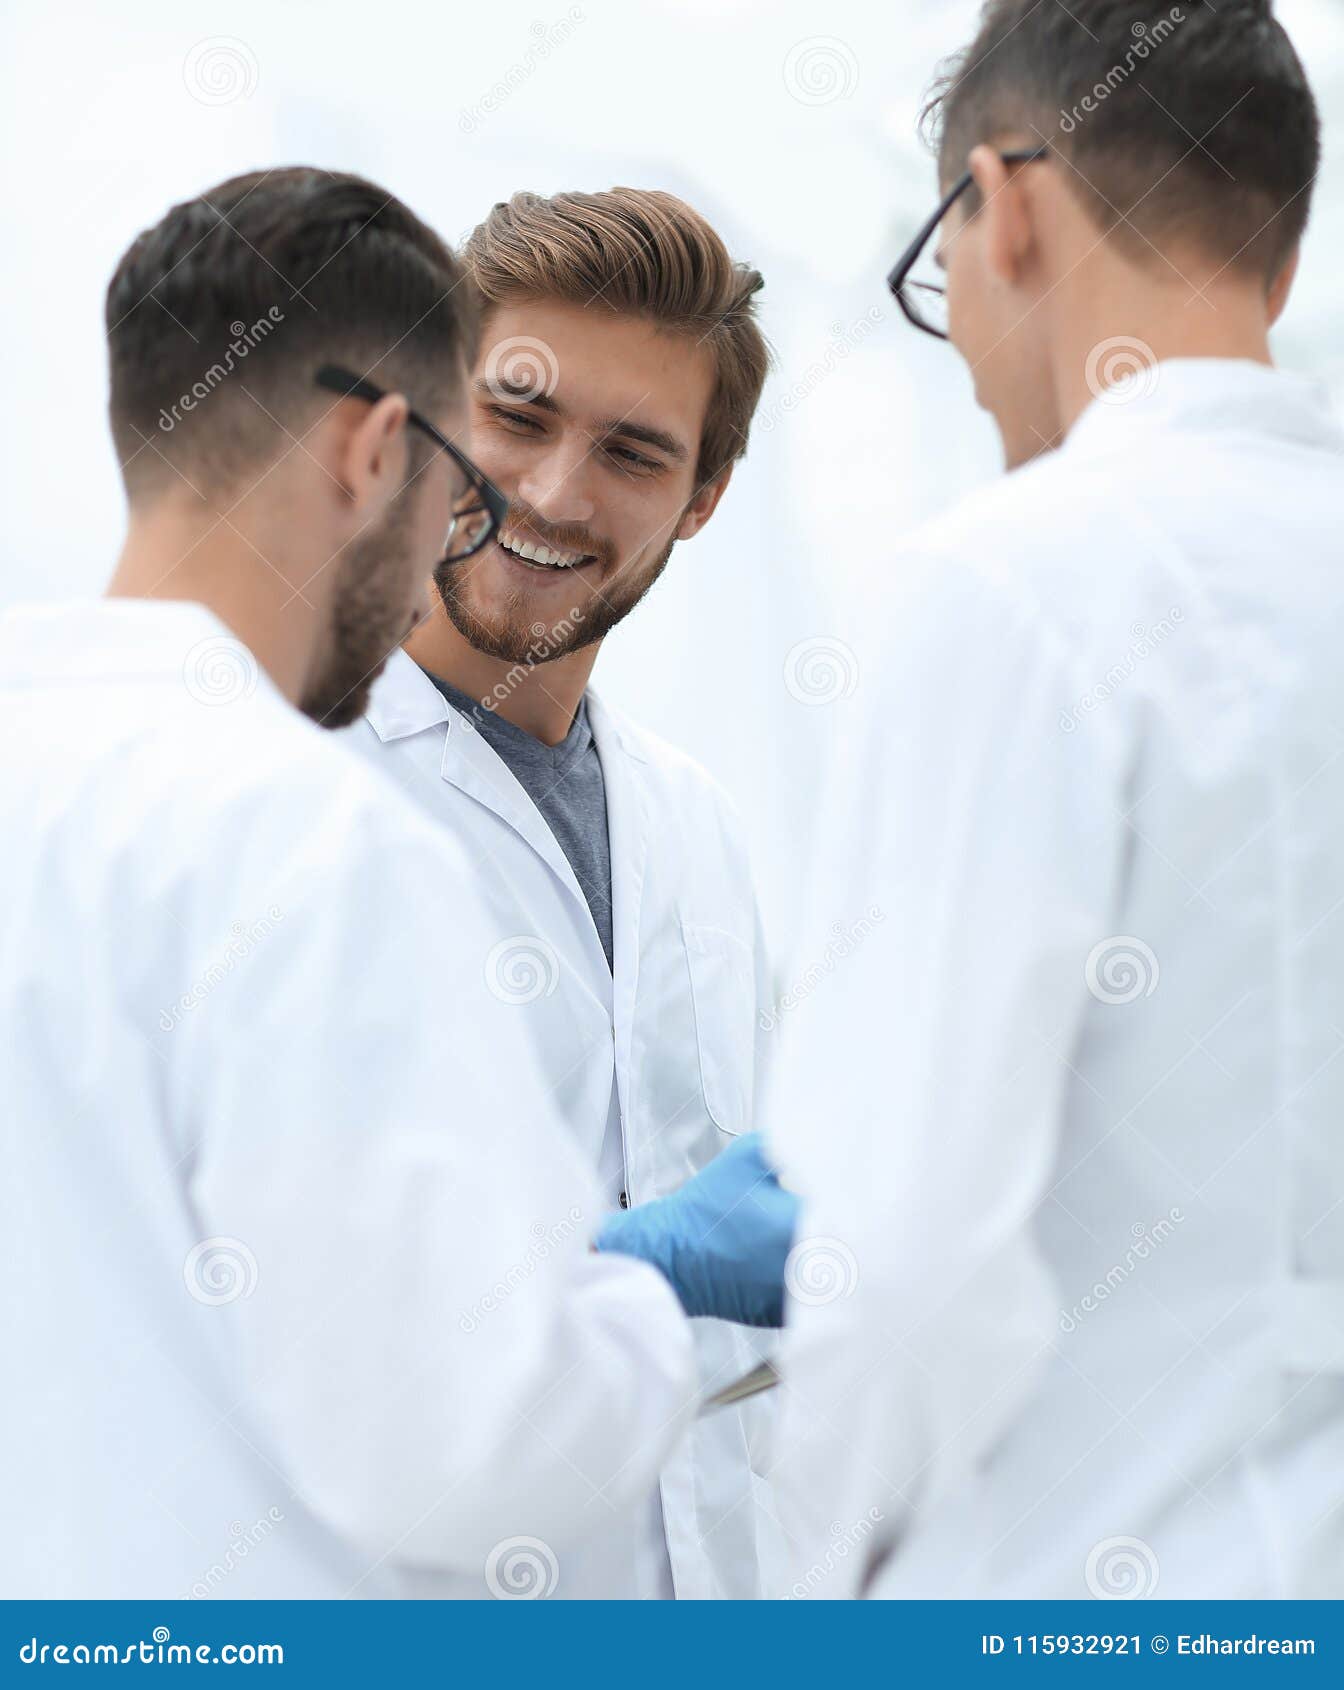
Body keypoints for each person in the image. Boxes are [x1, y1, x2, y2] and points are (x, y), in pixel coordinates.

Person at [0, 168, 706, 1600]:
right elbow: (464, 1444)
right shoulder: (306, 831)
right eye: (466, 468)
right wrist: (647, 1305)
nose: (482, 519)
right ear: (374, 448)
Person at [766, 0, 1344, 1598]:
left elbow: (904, 1268)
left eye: (937, 277)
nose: (960, 373)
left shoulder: (1019, 586)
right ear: (1279, 262)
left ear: (1002, 210)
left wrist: (817, 1588)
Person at [338, 186, 785, 1599]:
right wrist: (631, 1268)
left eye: (635, 453)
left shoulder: (699, 830)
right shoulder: (291, 796)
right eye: (517, 417)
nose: (551, 493)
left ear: (700, 500)